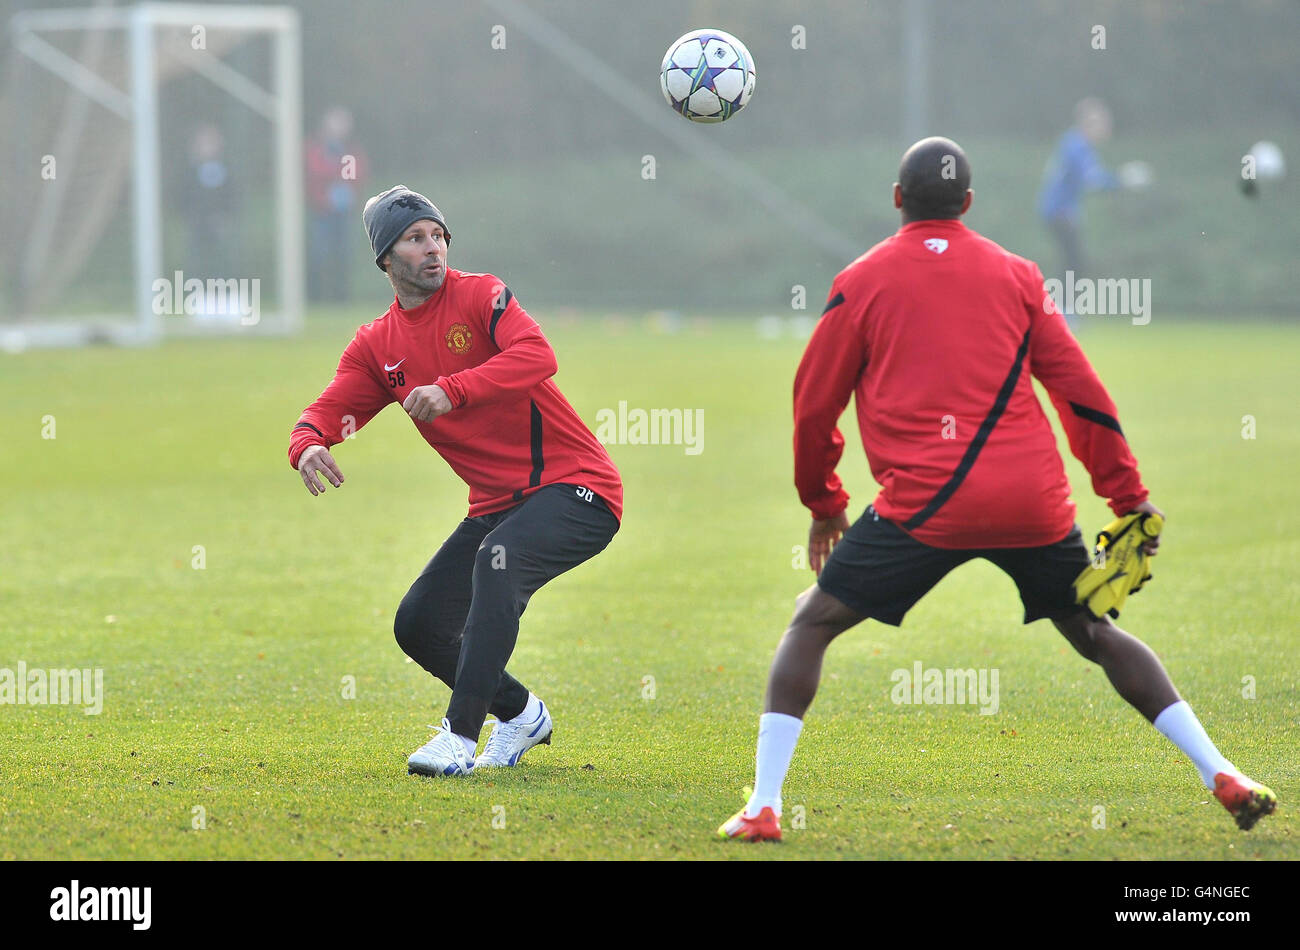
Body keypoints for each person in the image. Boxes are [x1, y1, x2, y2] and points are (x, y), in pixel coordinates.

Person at [718, 138, 1276, 841]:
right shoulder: (1017, 275)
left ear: (898, 198)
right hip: (1031, 503)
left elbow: (812, 406)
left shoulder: (861, 282)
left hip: (923, 506)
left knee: (812, 623)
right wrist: (1127, 495)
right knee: (1096, 633)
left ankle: (765, 806)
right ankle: (1221, 770)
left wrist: (824, 504)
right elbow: (1080, 392)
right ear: (970, 204)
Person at [288, 185, 622, 776]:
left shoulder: (482, 294)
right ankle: (519, 714)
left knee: (497, 562)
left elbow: (538, 354)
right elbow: (331, 409)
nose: (433, 248)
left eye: (439, 235)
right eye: (416, 239)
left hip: (580, 489)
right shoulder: (377, 346)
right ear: (386, 259)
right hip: (497, 505)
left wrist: (453, 388)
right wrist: (308, 442)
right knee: (418, 625)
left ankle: (459, 738)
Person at [1038, 98, 1121, 305]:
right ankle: (1061, 311)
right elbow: (1094, 180)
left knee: (1071, 262)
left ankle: (1061, 309)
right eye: (1102, 124)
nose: (1105, 130)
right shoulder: (1077, 145)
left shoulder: (1074, 143)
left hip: (1059, 211)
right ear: (1090, 123)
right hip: (1059, 212)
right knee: (1073, 262)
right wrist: (1123, 180)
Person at [305, 108, 368, 303]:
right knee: (317, 255)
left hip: (344, 212)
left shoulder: (351, 150)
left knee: (344, 256)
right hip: (322, 212)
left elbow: (356, 175)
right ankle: (313, 298)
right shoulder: (315, 148)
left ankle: (342, 298)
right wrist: (334, 173)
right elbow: (315, 172)